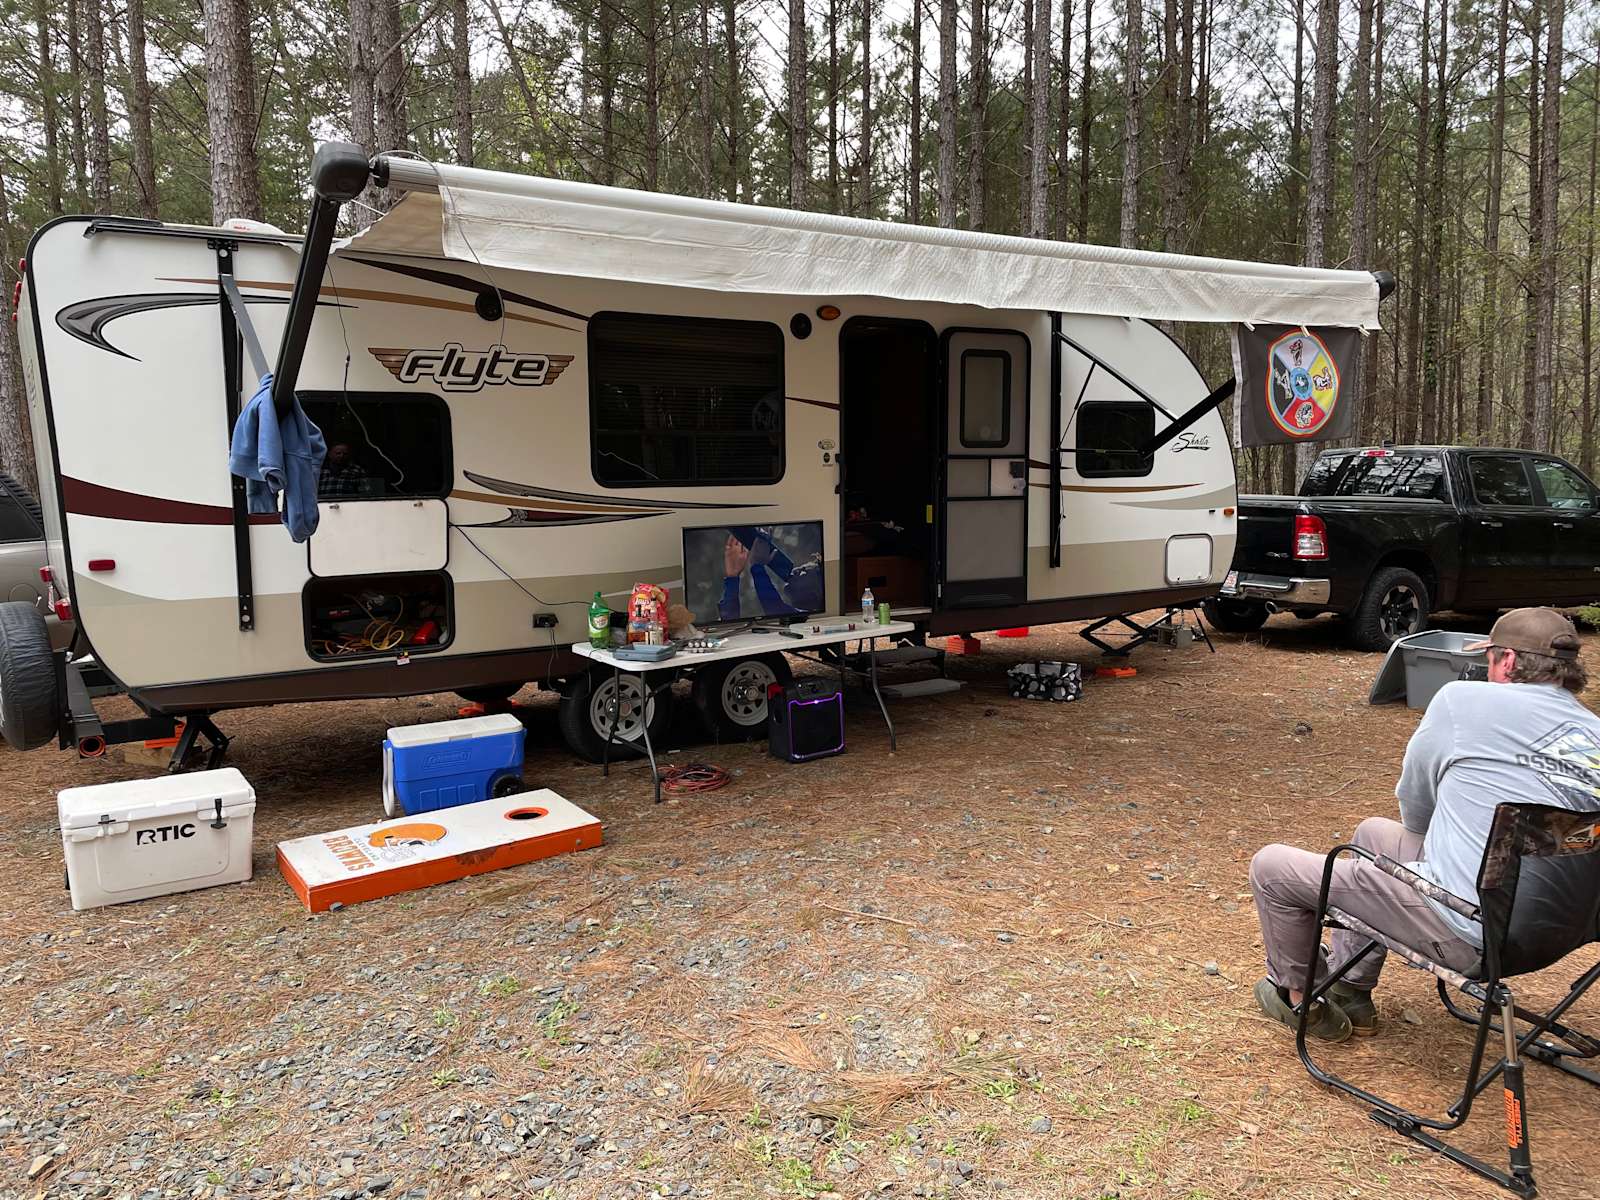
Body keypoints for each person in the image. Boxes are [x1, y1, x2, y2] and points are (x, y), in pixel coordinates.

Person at [1249, 607, 1600, 1041]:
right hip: (1556, 934)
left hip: (1469, 930)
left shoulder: (1463, 701)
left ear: (1507, 660)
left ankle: (1298, 997)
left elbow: (1416, 806)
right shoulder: (1593, 731)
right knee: (1374, 834)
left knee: (1272, 867)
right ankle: (1350, 987)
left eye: (1488, 658)